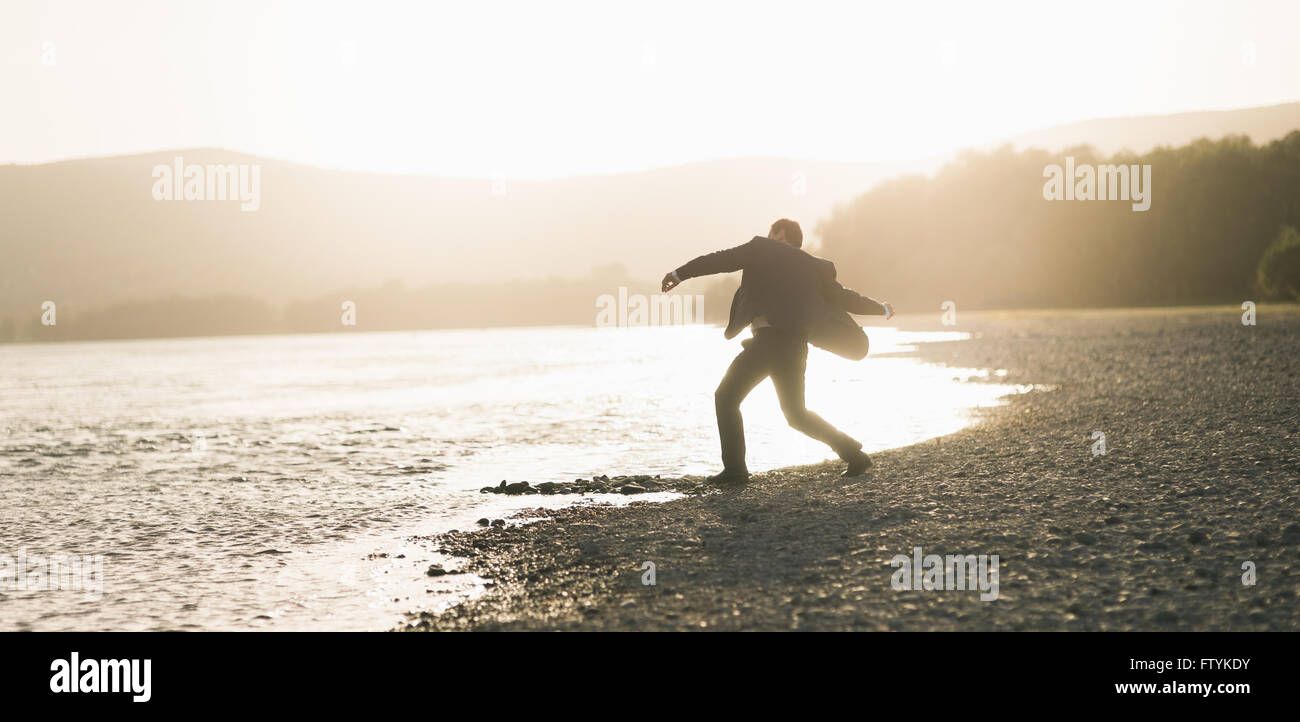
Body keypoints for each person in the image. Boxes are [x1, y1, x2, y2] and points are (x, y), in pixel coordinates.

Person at [661, 218, 894, 484]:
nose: (769, 237)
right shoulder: (814, 267)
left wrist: (680, 274)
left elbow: (719, 260)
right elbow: (844, 298)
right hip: (794, 346)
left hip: (768, 343)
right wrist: (882, 308)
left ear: (780, 235)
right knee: (796, 414)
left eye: (773, 233)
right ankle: (854, 455)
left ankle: (735, 471)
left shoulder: (761, 249)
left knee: (726, 397)